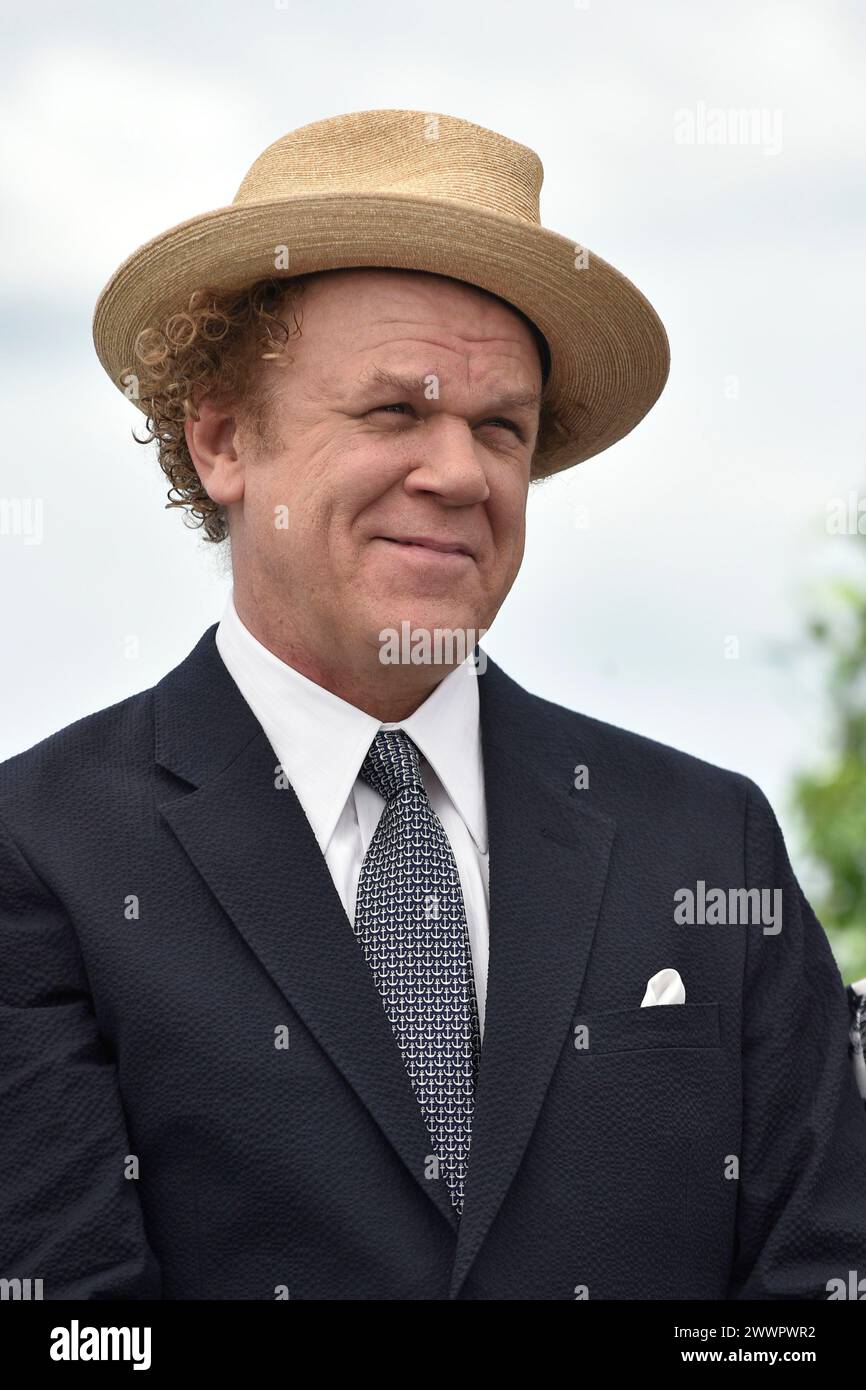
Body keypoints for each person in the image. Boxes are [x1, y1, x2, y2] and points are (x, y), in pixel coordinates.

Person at [2, 109, 865, 1301]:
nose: (459, 474)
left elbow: (818, 1285)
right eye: (394, 412)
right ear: (219, 439)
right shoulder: (41, 848)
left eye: (499, 428)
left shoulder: (707, 837)